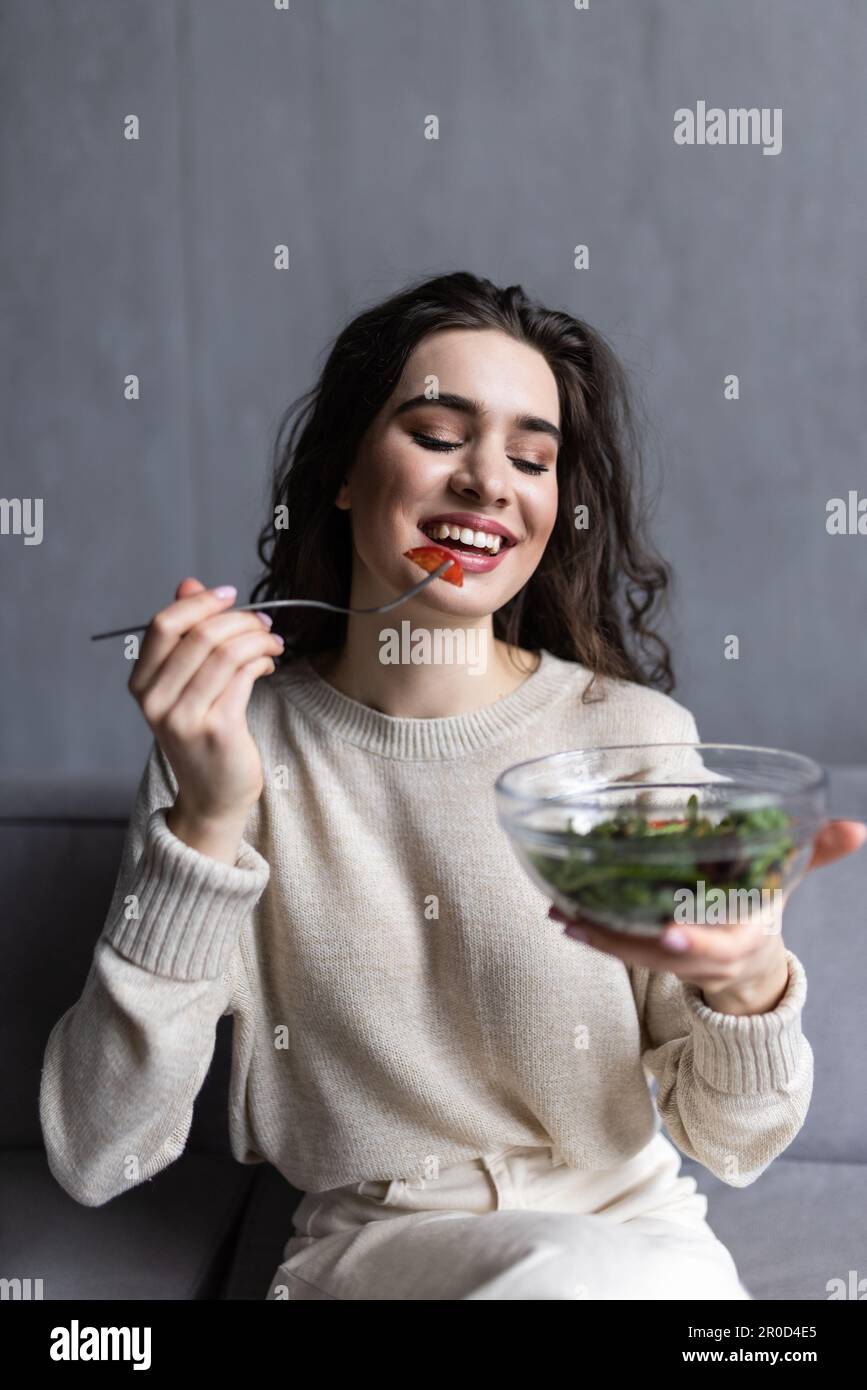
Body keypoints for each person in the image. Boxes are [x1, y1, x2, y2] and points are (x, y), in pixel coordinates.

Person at [39, 271, 866, 1300]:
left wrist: (747, 985)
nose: (489, 481)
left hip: (644, 1251)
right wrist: (206, 822)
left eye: (530, 456)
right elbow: (97, 1147)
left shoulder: (631, 739)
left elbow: (736, 1142)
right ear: (343, 471)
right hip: (378, 1258)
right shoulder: (233, 745)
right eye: (439, 434)